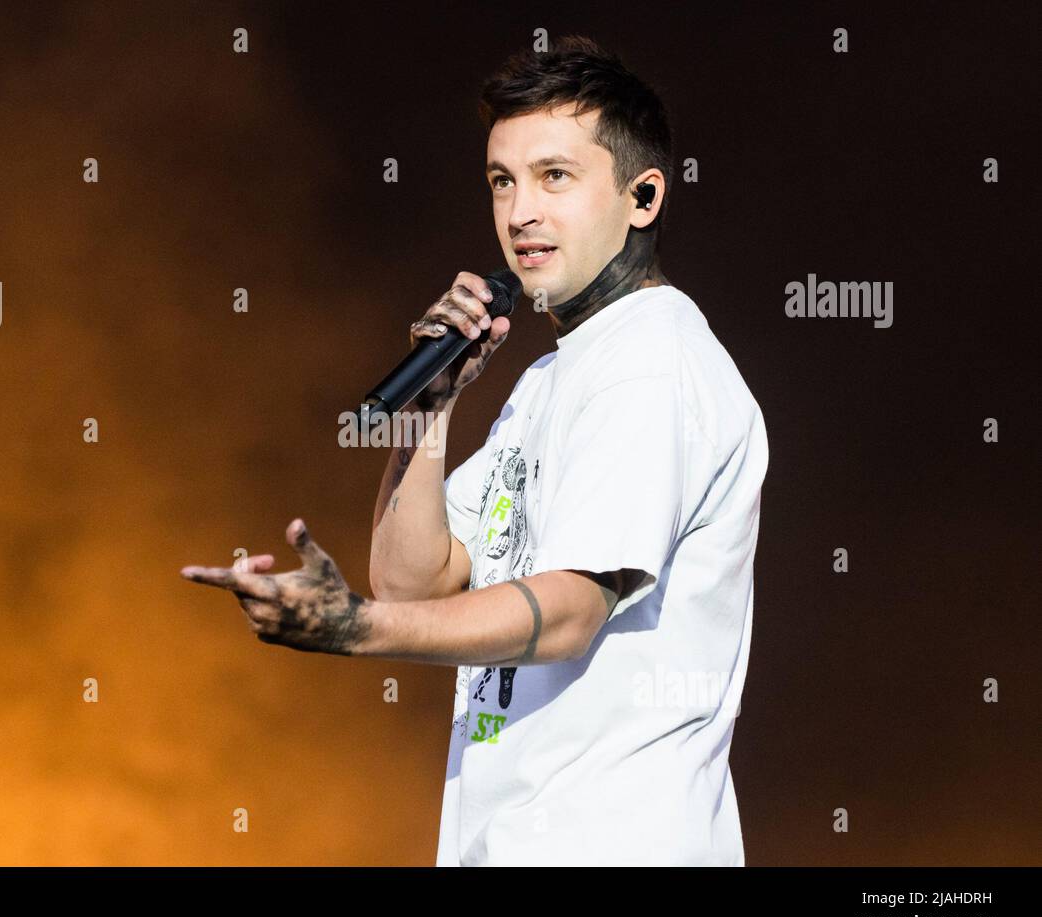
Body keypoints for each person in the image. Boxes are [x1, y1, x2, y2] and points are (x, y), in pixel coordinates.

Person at [181, 35, 768, 866]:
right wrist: (435, 404)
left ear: (643, 197)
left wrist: (357, 630)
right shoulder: (550, 379)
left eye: (554, 176)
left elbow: (568, 611)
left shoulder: (654, 363)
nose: (519, 211)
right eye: (503, 180)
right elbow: (413, 577)